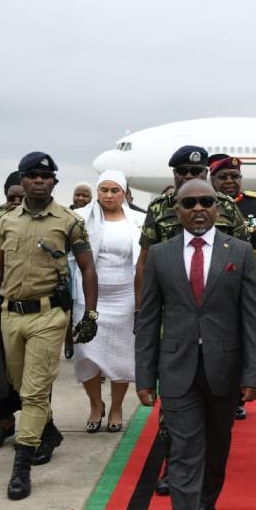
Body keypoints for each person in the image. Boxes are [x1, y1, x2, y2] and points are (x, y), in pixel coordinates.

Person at [134, 180, 256, 510]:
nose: (197, 208)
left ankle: (208, 500)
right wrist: (144, 376)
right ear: (176, 209)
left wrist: (254, 373)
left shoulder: (240, 252)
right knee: (184, 454)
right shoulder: (160, 255)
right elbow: (148, 318)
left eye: (205, 202)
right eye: (188, 202)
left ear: (217, 208)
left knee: (217, 447)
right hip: (177, 371)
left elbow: (251, 319)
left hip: (224, 371)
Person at [0, 151, 100, 501]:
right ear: (22, 180)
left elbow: (87, 267)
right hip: (10, 314)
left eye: (46, 176)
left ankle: (21, 464)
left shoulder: (69, 221)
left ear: (54, 182)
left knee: (32, 391)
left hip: (48, 315)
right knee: (18, 384)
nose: (39, 181)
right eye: (32, 176)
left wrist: (89, 314)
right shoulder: (6, 221)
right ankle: (50, 431)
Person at [134, 145, 248, 496]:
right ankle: (176, 463)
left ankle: (205, 478)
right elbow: (145, 261)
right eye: (182, 171)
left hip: (216, 319)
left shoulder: (226, 207)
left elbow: (244, 259)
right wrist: (142, 311)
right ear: (173, 175)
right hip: (174, 316)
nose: (189, 177)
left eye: (196, 173)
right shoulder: (158, 209)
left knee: (215, 414)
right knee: (175, 402)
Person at [68, 170, 142, 433]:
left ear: (124, 193)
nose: (109, 195)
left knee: (121, 356)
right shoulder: (78, 219)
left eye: (115, 191)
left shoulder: (138, 220)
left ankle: (117, 407)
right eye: (104, 190)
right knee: (87, 354)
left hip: (124, 296)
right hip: (88, 297)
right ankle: (95, 404)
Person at [209, 153, 256, 420]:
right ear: (212, 179)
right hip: (214, 283)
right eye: (223, 177)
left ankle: (237, 395)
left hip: (248, 284)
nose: (229, 181)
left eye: (234, 176)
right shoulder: (205, 205)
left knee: (244, 338)